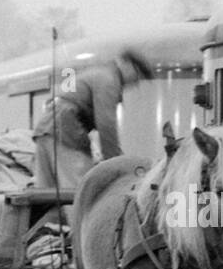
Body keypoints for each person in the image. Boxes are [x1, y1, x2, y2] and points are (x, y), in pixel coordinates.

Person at [32, 50, 153, 201]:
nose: (135, 83)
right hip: (66, 129)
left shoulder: (97, 73)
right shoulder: (109, 79)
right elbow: (106, 124)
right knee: (79, 192)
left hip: (45, 129)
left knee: (45, 194)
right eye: (137, 75)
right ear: (126, 65)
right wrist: (116, 164)